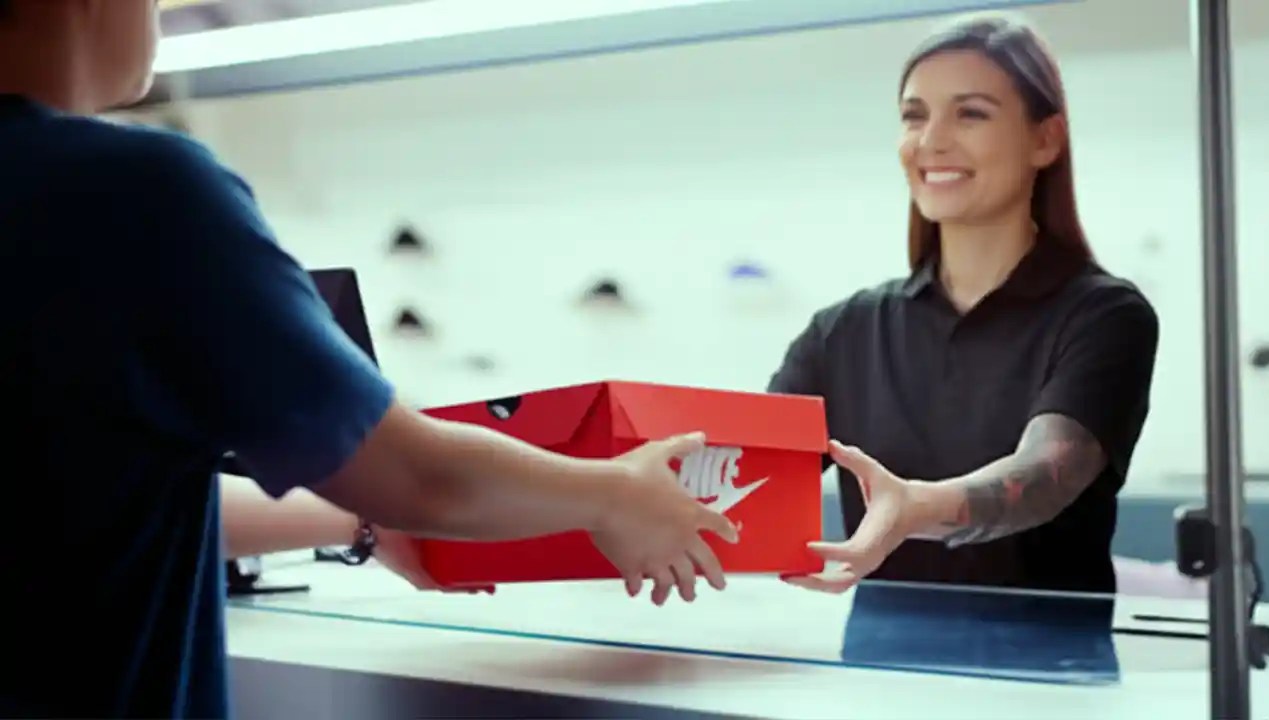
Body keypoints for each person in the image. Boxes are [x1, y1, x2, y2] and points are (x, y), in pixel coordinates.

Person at [0, 1, 739, 717]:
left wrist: (363, 517)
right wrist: (614, 493)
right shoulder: (132, 194)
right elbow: (420, 476)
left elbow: (110, 493)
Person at [770, 15, 1158, 596]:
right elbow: (754, 472)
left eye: (970, 113)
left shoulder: (1105, 316)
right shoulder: (843, 331)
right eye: (914, 116)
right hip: (880, 669)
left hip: (1051, 673)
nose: (932, 141)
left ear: (1045, 138)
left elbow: (1044, 477)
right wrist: (617, 487)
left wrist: (915, 506)